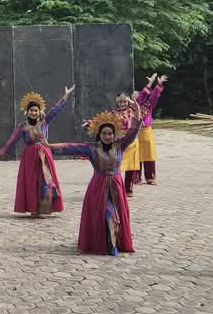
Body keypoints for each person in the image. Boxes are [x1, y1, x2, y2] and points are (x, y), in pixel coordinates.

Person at [47, 100, 143, 255]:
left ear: (114, 134)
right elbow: (71, 147)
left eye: (110, 133)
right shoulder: (92, 148)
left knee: (116, 214)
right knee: (106, 214)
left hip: (117, 187)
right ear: (99, 134)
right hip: (99, 187)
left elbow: (134, 130)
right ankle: (109, 244)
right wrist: (49, 146)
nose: (107, 136)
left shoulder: (120, 145)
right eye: (104, 133)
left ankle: (115, 241)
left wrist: (137, 110)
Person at [0, 86, 75, 218]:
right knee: (32, 182)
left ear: (39, 111)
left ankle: (45, 207)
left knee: (46, 180)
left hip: (44, 154)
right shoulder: (23, 126)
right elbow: (12, 140)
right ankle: (33, 209)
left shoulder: (45, 121)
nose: (34, 112)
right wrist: (1, 153)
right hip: (30, 156)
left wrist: (65, 96)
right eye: (31, 110)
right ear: (27, 111)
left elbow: (56, 109)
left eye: (36, 110)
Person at [136, 74, 167, 185]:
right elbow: (141, 96)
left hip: (146, 132)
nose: (137, 97)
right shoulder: (133, 107)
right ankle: (136, 177)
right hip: (135, 133)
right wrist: (149, 83)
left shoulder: (148, 106)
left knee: (149, 155)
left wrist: (158, 84)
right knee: (136, 155)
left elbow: (154, 96)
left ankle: (150, 178)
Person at [114, 93, 142, 195]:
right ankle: (116, 188)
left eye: (125, 101)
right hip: (119, 142)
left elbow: (138, 119)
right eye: (120, 102)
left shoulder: (132, 111)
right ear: (117, 103)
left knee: (131, 166)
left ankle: (128, 189)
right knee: (117, 166)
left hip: (131, 141)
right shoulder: (113, 113)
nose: (122, 104)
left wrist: (136, 106)